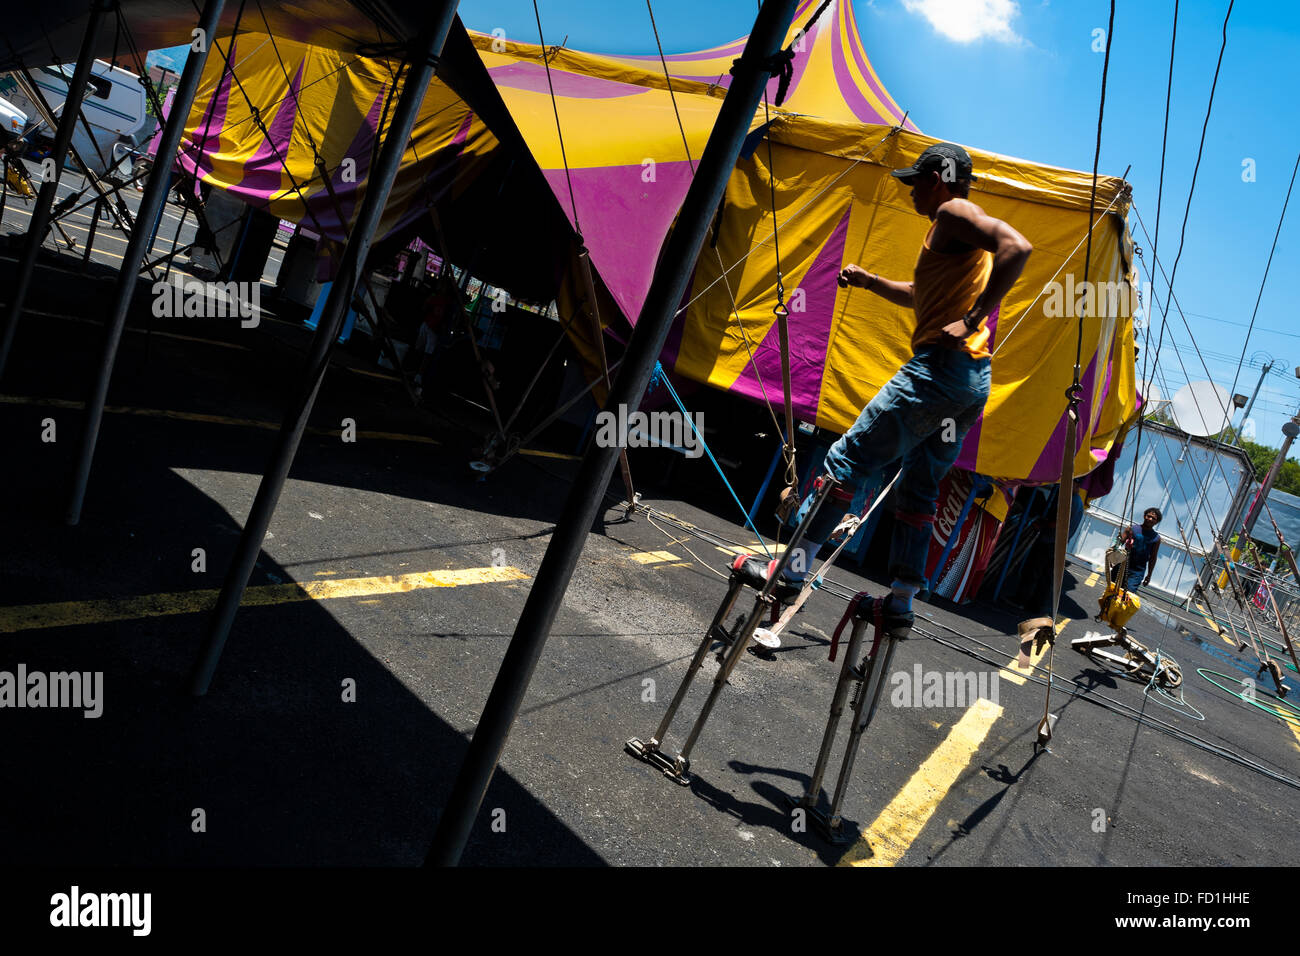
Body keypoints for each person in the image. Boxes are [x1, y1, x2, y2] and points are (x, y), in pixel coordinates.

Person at [780, 142, 1033, 631]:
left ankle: (791, 572)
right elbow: (922, 294)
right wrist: (871, 281)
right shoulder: (951, 234)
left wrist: (975, 316)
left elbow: (1017, 247)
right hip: (968, 385)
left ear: (939, 176)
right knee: (920, 489)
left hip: (939, 370)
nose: (911, 190)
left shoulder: (955, 211)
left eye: (915, 180)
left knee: (848, 461)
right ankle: (901, 600)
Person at [1118, 507, 1162, 592]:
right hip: (1122, 564)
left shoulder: (1156, 538)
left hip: (1137, 571)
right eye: (1148, 516)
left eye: (1153, 518)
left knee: (1128, 593)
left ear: (1156, 522)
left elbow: (1153, 558)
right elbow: (1119, 543)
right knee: (1113, 589)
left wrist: (1149, 575)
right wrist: (1113, 558)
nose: (1150, 519)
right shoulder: (1131, 529)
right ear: (1144, 516)